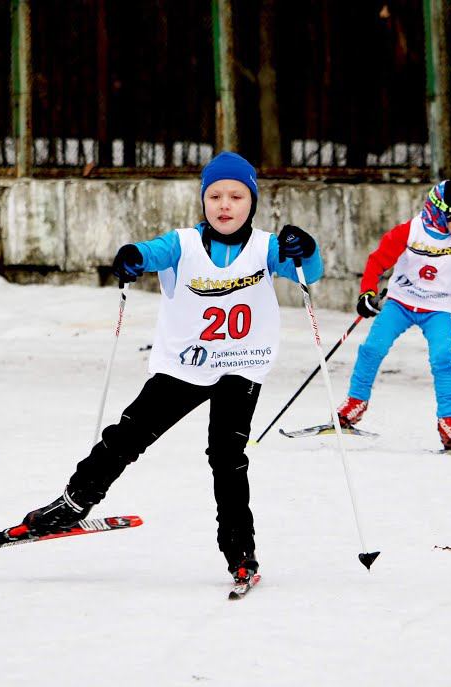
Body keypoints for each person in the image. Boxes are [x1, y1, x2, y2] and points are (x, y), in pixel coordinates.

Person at [19, 152, 323, 585]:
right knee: (127, 435)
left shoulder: (267, 247)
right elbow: (149, 253)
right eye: (215, 195)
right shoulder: (182, 244)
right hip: (185, 365)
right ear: (203, 201)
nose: (225, 205)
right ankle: (73, 502)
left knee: (227, 457)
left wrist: (305, 249)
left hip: (242, 365)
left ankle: (240, 552)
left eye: (236, 196)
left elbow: (311, 272)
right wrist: (132, 258)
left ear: (251, 201)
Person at [333, 180, 451, 450]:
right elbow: (377, 262)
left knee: (443, 358)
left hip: (438, 309)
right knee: (372, 348)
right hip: (401, 302)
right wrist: (366, 294)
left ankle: (449, 421)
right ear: (442, 214)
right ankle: (355, 402)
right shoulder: (409, 232)